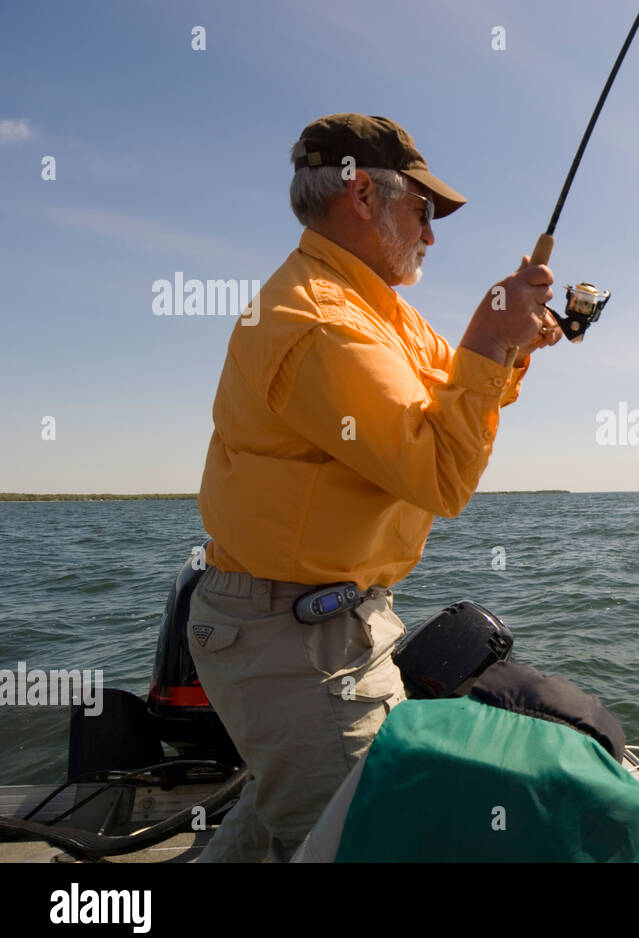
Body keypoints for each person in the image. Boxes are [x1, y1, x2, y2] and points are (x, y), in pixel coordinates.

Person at [185, 113, 559, 861]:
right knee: (370, 841)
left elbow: (450, 390)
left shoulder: (368, 306)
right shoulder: (320, 319)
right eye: (422, 210)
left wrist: (504, 345)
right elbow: (439, 474)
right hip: (295, 645)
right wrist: (490, 339)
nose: (431, 233)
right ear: (361, 194)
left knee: (287, 823)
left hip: (329, 625)